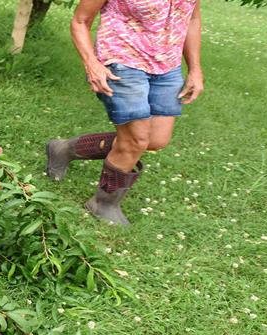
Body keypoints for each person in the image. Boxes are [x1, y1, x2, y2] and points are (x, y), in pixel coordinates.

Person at [46, 0, 204, 226]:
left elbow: (192, 18)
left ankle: (62, 149)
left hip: (167, 67)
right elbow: (80, 20)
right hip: (122, 60)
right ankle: (103, 203)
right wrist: (92, 63)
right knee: (136, 139)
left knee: (155, 140)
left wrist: (195, 68)